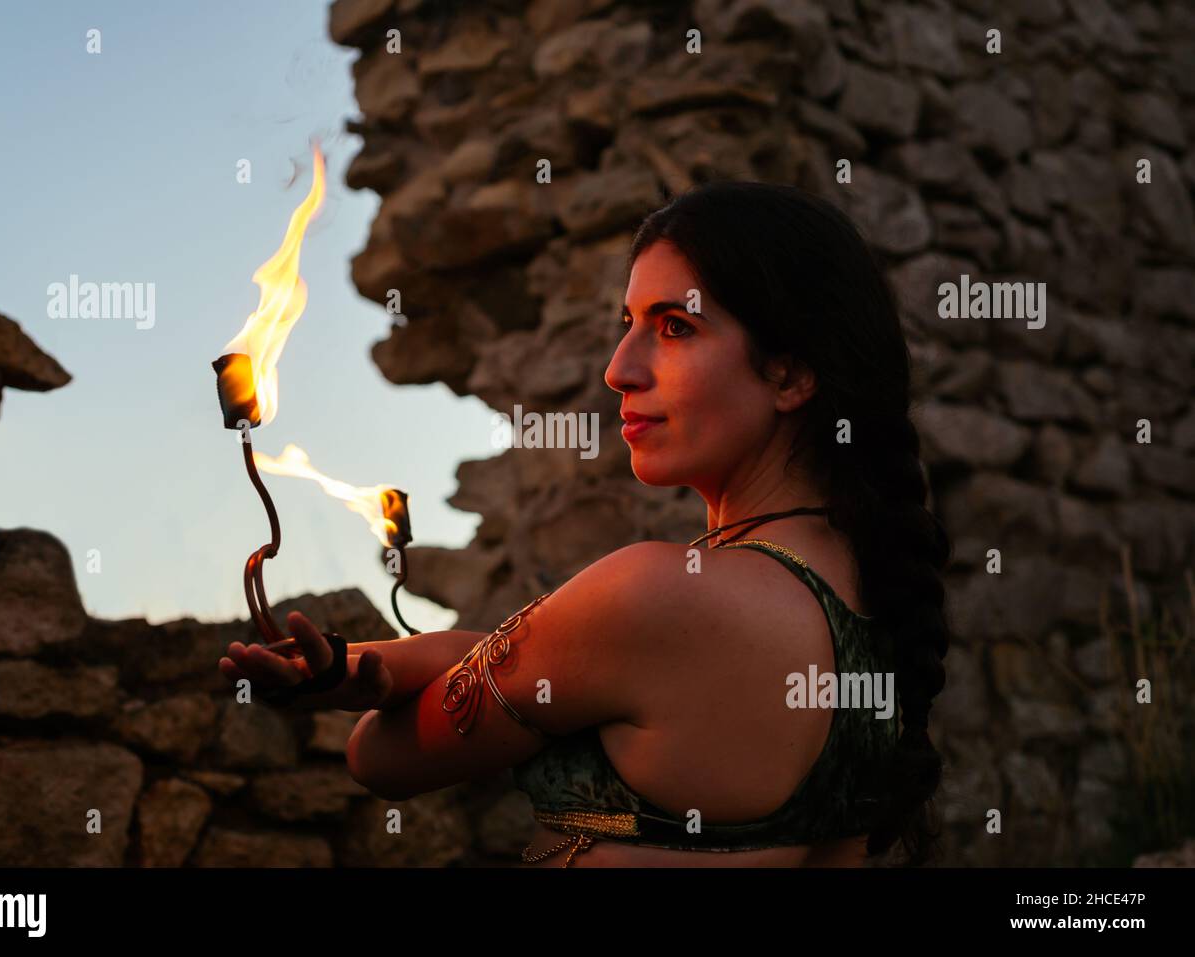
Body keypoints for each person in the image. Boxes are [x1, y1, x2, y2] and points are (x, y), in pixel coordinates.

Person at [219, 181, 953, 868]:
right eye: (626, 323)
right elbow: (577, 664)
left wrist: (383, 685)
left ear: (790, 374)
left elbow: (380, 758)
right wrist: (375, 664)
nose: (618, 369)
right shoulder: (873, 598)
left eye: (675, 327)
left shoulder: (654, 596)